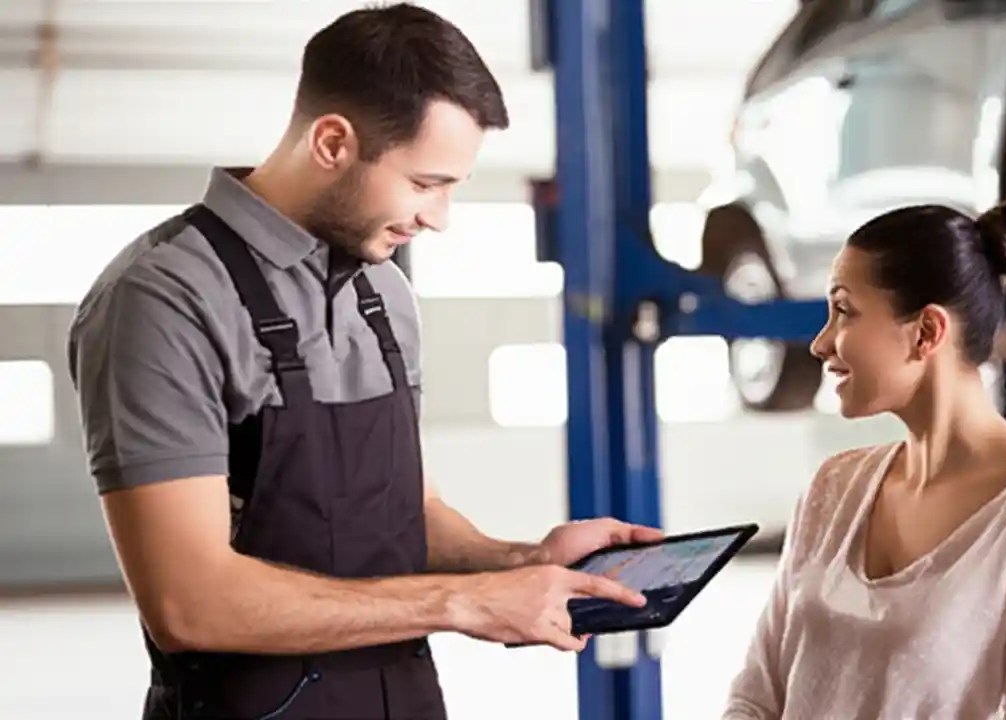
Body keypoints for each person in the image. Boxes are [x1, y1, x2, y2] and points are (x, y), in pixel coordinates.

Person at [66, 5, 660, 719]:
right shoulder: (163, 298)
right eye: (424, 183)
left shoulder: (385, 295)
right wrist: (466, 603)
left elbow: (413, 512)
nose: (438, 217)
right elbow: (189, 603)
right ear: (333, 142)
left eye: (452, 188)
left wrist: (523, 562)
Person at [721, 198, 1006, 719]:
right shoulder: (834, 488)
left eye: (844, 311)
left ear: (927, 331)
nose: (820, 344)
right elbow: (756, 695)